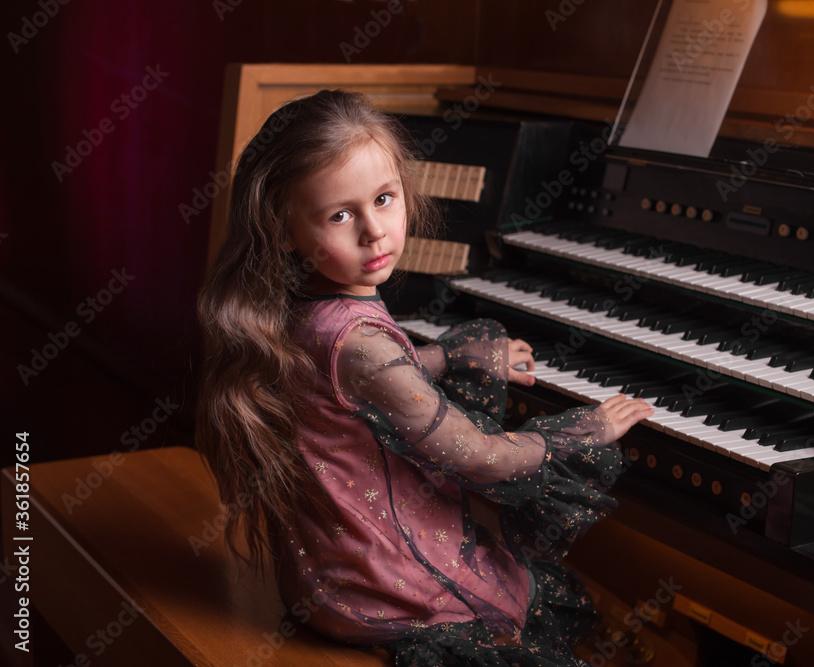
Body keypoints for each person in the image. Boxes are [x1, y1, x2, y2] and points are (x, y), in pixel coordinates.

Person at [196, 89, 653, 666]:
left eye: (384, 199)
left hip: (323, 572)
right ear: (284, 231)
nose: (374, 231)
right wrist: (582, 432)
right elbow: (478, 456)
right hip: (383, 587)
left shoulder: (291, 304)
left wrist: (455, 357)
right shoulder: (360, 341)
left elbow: (352, 378)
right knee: (529, 597)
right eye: (340, 214)